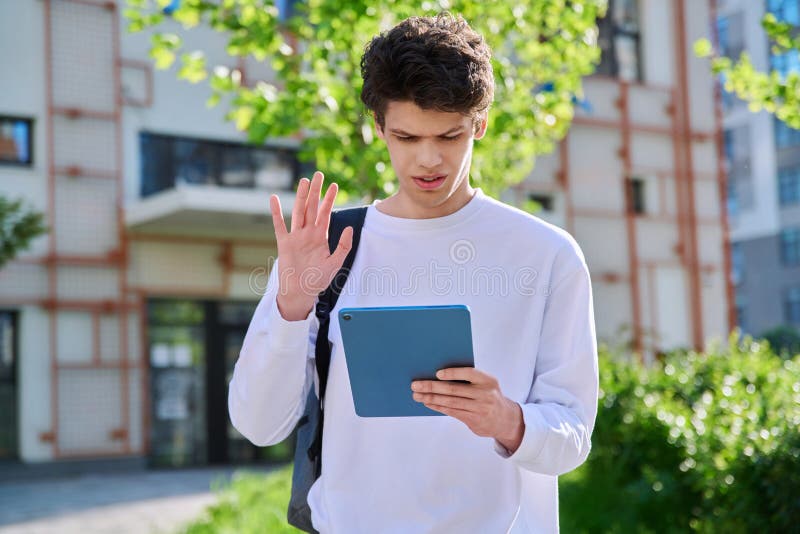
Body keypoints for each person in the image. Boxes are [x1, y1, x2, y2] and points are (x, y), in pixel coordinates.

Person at [229, 12, 598, 533]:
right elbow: (258, 425)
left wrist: (508, 419)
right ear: (379, 127)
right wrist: (291, 306)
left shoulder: (547, 255)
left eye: (450, 136)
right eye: (406, 137)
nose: (429, 160)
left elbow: (573, 434)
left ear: (480, 124)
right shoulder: (327, 248)